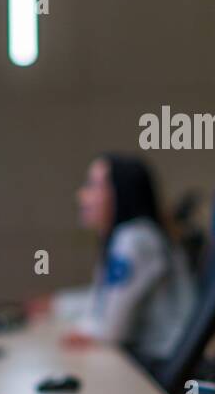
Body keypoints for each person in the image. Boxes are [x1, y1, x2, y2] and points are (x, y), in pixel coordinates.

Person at [35, 154, 195, 365]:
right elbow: (103, 299)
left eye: (93, 186)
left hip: (157, 364)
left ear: (120, 192)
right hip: (154, 360)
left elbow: (112, 329)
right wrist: (57, 304)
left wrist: (80, 329)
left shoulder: (135, 240)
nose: (82, 196)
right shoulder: (135, 235)